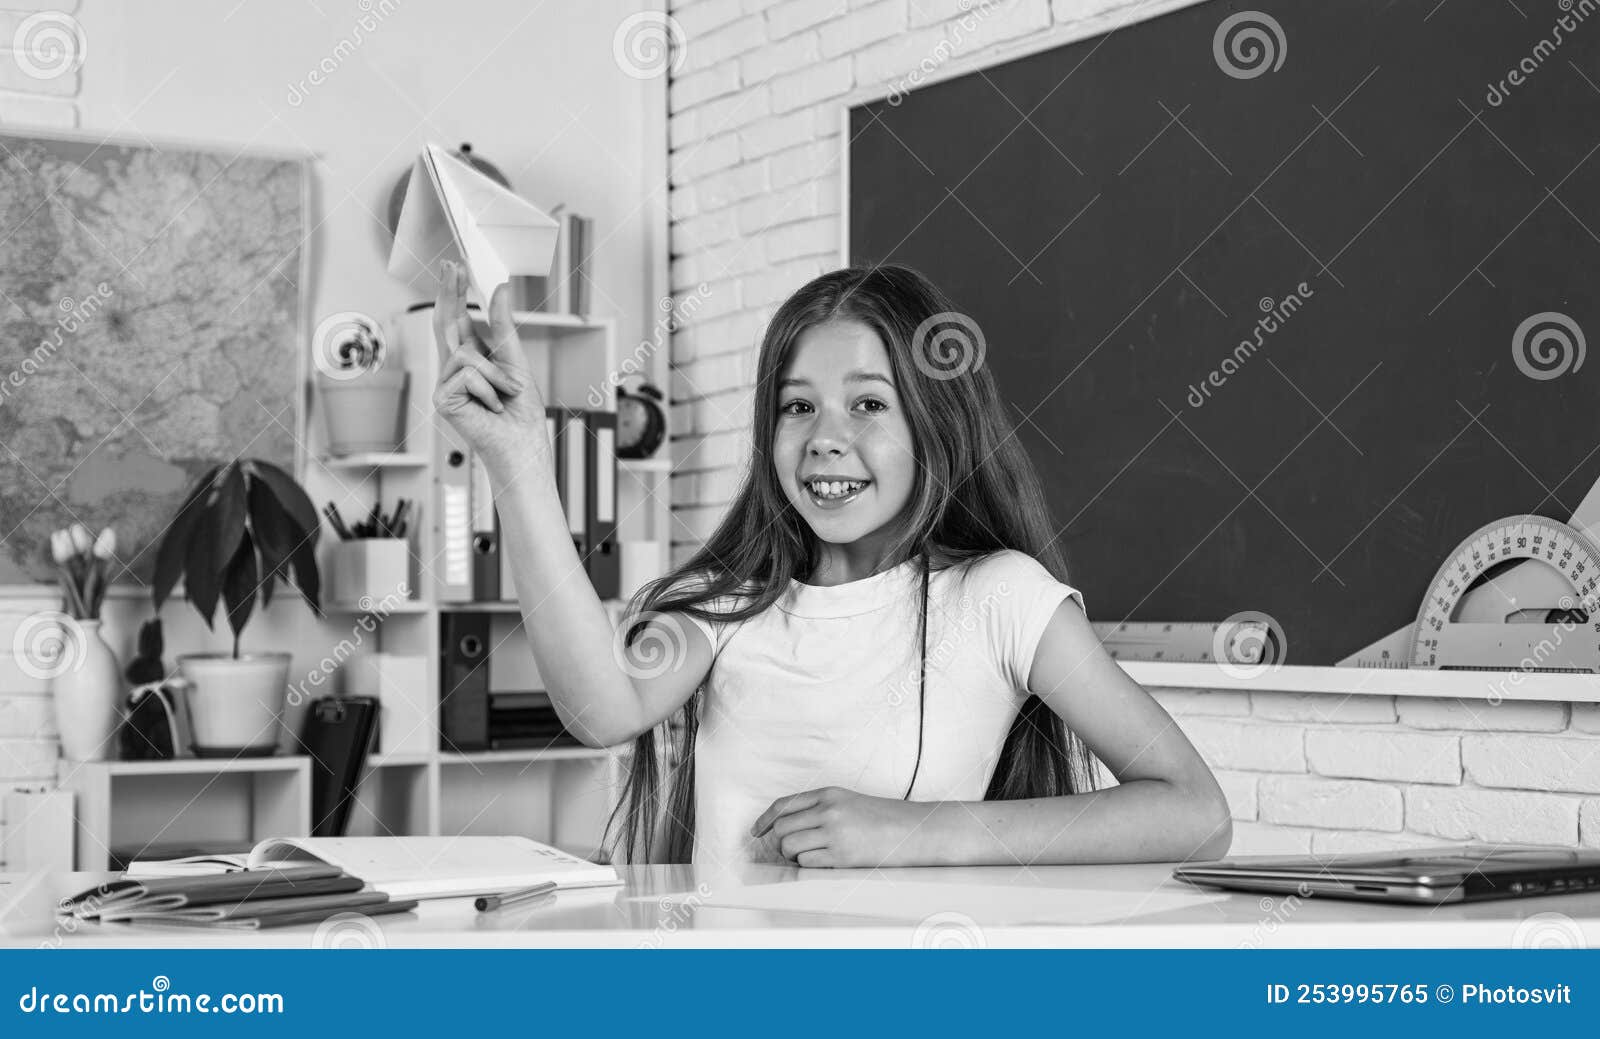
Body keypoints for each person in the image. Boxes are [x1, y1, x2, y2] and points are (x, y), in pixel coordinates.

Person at [431, 259, 1232, 871]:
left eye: (870, 403)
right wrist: (518, 462)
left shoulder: (1002, 597)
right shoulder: (730, 604)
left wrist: (917, 830)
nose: (824, 435)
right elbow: (601, 710)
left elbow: (1195, 812)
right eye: (798, 404)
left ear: (936, 424)